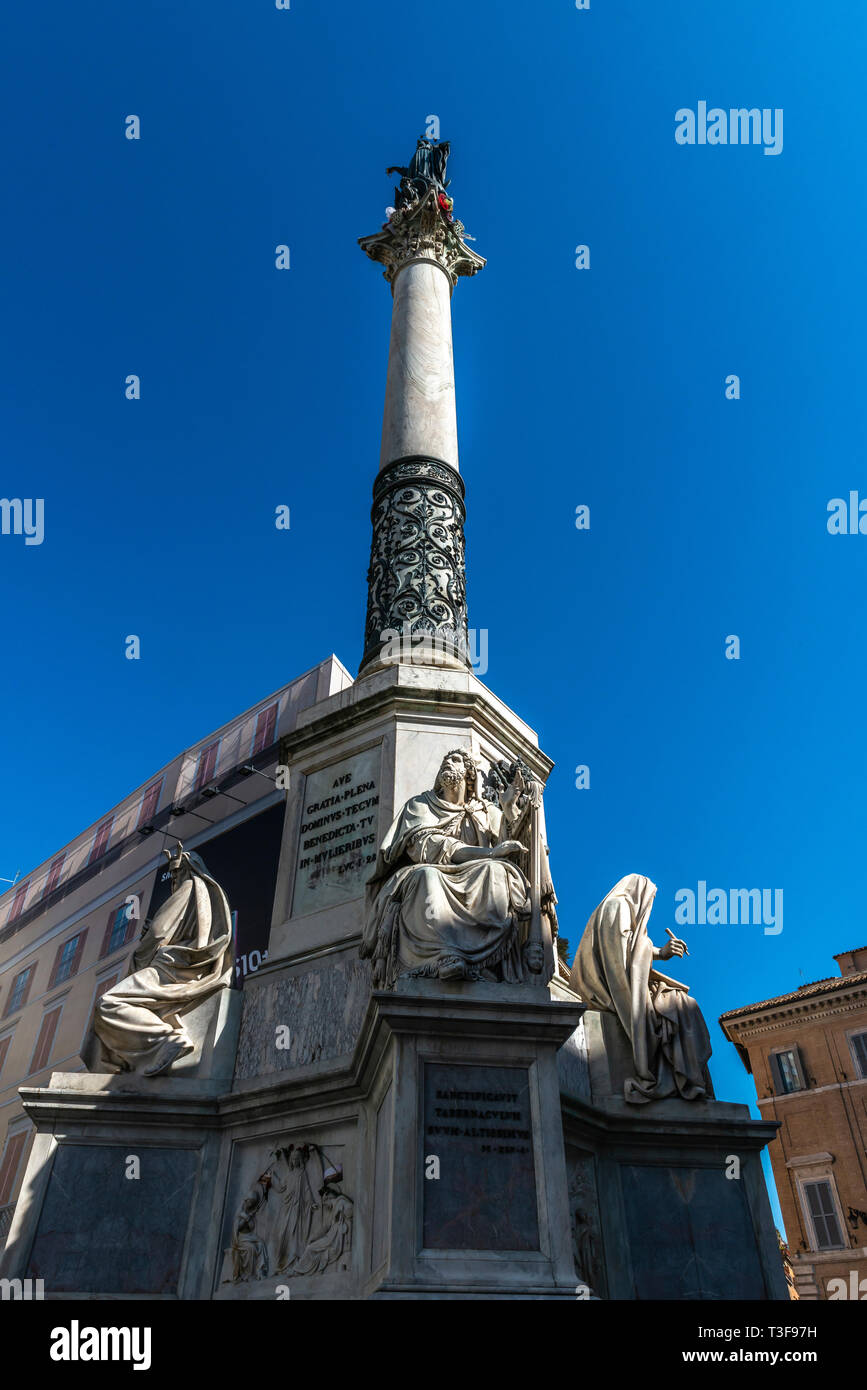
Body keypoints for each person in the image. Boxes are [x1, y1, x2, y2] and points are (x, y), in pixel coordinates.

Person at [362, 749, 547, 987]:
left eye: (456, 760)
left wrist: (509, 807)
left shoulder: (484, 811)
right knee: (427, 876)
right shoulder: (420, 805)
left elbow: (511, 847)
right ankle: (444, 955)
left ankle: (482, 961)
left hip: (475, 870)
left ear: (470, 774)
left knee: (497, 872)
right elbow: (427, 848)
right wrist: (489, 853)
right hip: (431, 869)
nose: (448, 762)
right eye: (445, 761)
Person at [90, 843, 233, 1077]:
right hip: (188, 965)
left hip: (171, 967)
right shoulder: (207, 892)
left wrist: (142, 953)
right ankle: (124, 1061)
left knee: (109, 1002)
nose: (173, 879)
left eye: (175, 872)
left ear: (184, 869)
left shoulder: (188, 887)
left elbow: (158, 933)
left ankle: (166, 1040)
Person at [569, 873, 713, 1104]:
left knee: (682, 1005)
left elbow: (629, 951)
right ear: (639, 893)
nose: (648, 906)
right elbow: (621, 960)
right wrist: (656, 952)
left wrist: (661, 953)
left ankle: (690, 1081)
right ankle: (685, 1081)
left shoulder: (615, 908)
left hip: (625, 981)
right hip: (611, 990)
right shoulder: (618, 906)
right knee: (682, 1006)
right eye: (649, 899)